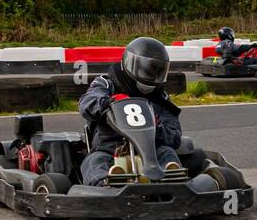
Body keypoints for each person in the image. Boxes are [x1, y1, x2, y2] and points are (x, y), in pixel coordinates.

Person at [78, 37, 182, 186]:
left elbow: (175, 136)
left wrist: (154, 129)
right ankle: (106, 184)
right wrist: (108, 102)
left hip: (151, 150)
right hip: (109, 147)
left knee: (167, 153)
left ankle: (173, 181)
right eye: (149, 70)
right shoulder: (107, 84)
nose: (153, 76)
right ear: (131, 63)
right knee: (95, 161)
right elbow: (86, 103)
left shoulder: (160, 98)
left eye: (158, 71)